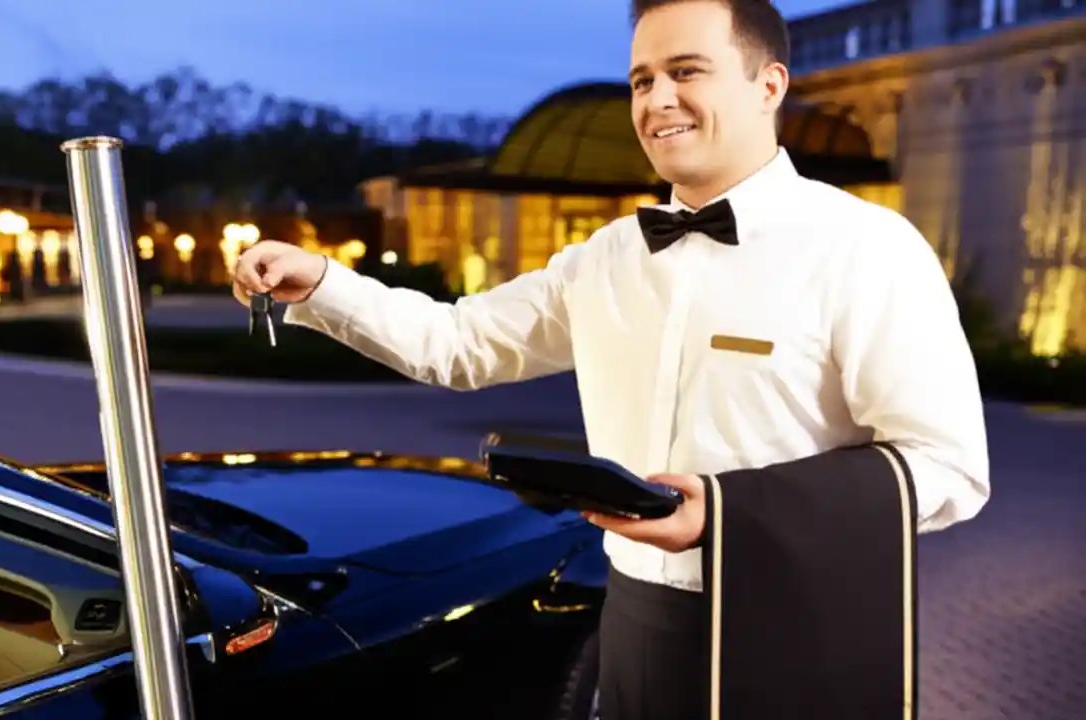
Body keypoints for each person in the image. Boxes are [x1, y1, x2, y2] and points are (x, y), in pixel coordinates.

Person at [233, 0, 990, 717]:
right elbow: (456, 345)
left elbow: (949, 467)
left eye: (687, 71)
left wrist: (727, 517)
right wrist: (324, 284)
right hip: (630, 617)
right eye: (641, 79)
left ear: (769, 85)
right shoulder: (604, 259)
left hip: (794, 626)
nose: (658, 99)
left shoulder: (867, 249)